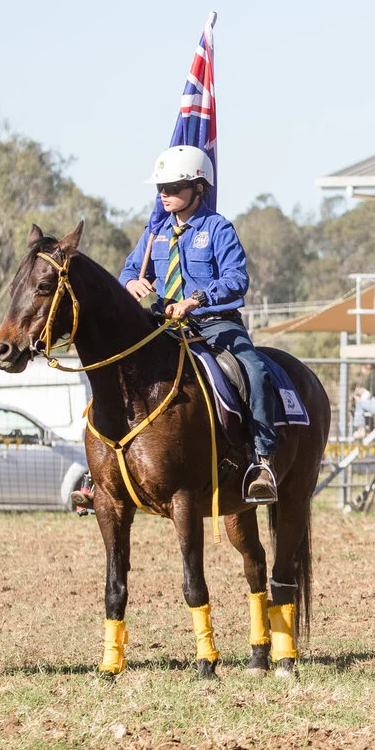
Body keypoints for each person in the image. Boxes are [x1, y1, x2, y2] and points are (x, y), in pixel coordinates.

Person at [118, 146, 282, 506]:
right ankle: (105, 462)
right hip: (162, 325)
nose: (164, 194)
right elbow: (129, 271)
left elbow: (237, 279)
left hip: (213, 324)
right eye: (161, 187)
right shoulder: (155, 231)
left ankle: (262, 461)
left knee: (253, 371)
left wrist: (196, 299)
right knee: (118, 367)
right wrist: (132, 283)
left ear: (199, 188)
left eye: (174, 186)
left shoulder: (218, 228)